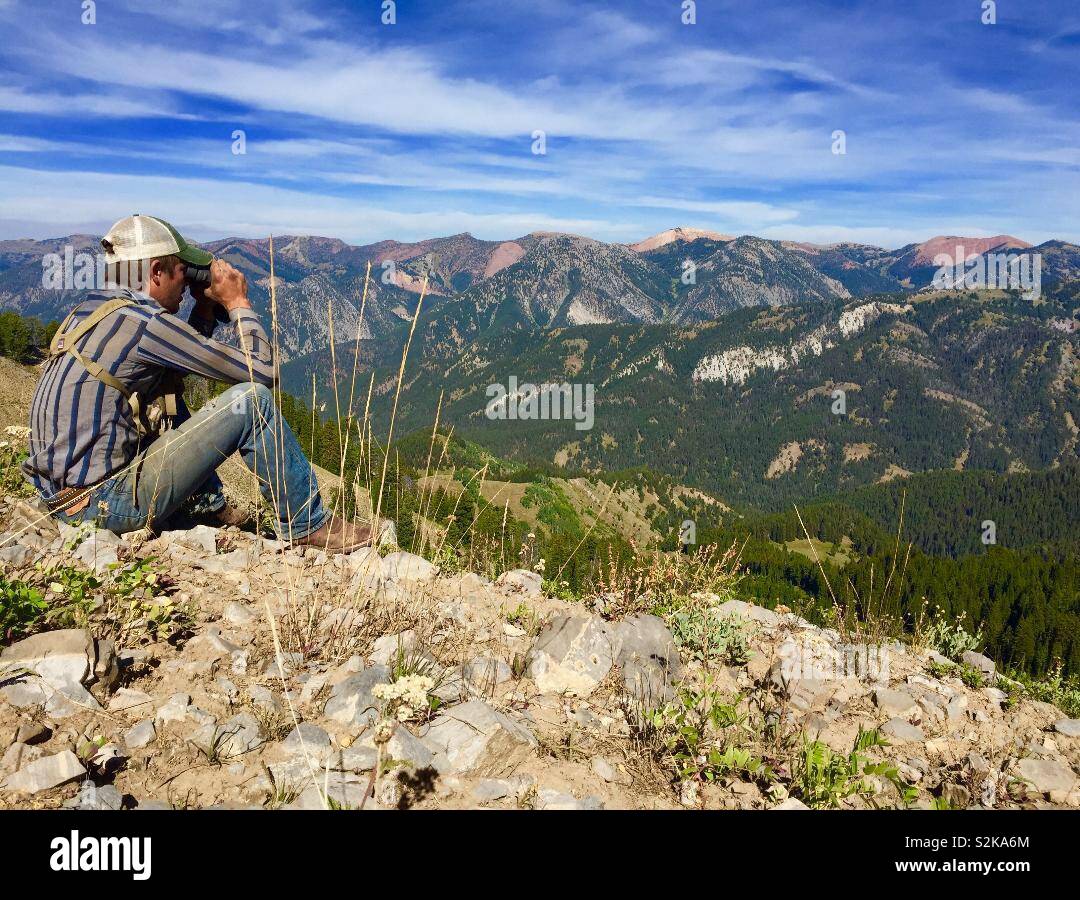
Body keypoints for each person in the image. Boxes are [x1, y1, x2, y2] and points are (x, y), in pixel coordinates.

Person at [23, 214, 371, 552]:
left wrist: (204, 310)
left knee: (168, 398)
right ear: (156, 271)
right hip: (102, 504)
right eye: (181, 272)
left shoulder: (90, 313)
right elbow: (263, 372)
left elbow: (172, 373)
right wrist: (238, 303)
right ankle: (306, 524)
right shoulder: (145, 322)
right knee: (253, 402)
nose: (186, 285)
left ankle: (208, 507)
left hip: (59, 496)